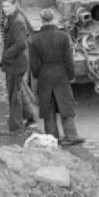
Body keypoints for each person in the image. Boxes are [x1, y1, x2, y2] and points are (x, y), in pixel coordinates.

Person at [28, 8, 84, 145]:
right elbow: (68, 59)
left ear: (41, 20)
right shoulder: (64, 36)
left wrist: (37, 75)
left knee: (48, 109)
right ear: (53, 19)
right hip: (61, 74)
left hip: (45, 75)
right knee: (66, 107)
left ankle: (52, 138)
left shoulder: (34, 40)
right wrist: (71, 75)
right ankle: (71, 135)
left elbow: (33, 65)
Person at [0, 0, 36, 132]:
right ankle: (29, 115)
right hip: (15, 62)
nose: (4, 9)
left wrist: (6, 55)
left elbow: (21, 44)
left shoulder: (17, 21)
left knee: (14, 95)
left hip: (16, 63)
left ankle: (16, 126)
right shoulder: (13, 18)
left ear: (15, 6)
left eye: (7, 6)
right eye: (3, 7)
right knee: (18, 90)